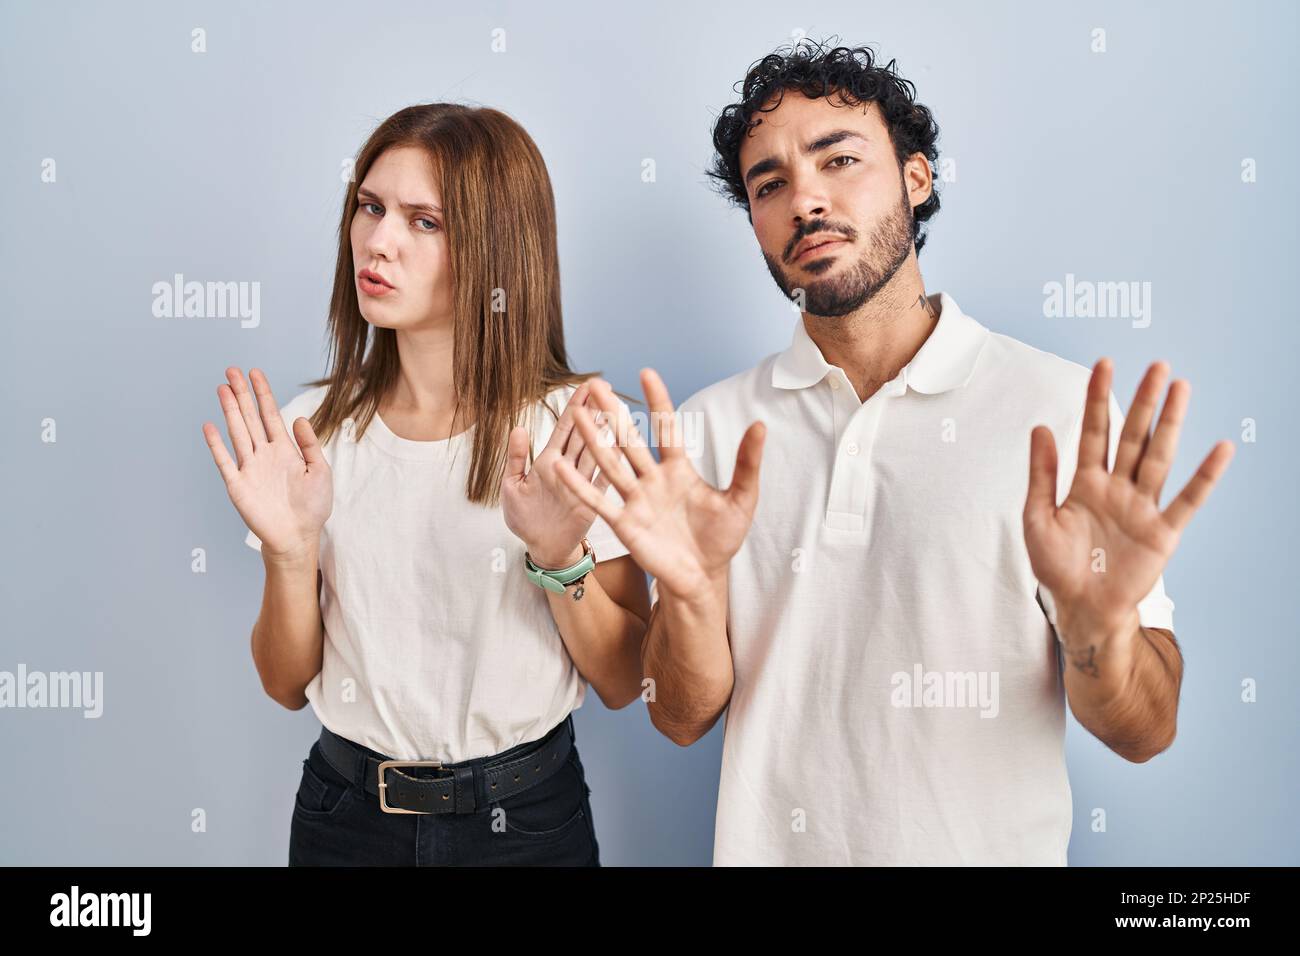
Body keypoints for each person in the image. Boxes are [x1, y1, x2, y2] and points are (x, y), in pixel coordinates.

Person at [550, 41, 1234, 865]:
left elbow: (1145, 730)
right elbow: (681, 716)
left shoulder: (1056, 410)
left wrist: (1099, 632)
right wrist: (693, 596)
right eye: (769, 185)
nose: (805, 198)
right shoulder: (711, 428)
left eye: (839, 159)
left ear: (917, 178)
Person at [201, 103, 650, 866]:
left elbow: (624, 678)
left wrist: (557, 554)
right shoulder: (312, 432)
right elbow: (285, 683)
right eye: (370, 208)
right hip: (346, 820)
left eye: (424, 222)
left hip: (526, 825)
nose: (378, 242)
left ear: (496, 248)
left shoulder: (571, 429)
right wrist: (290, 550)